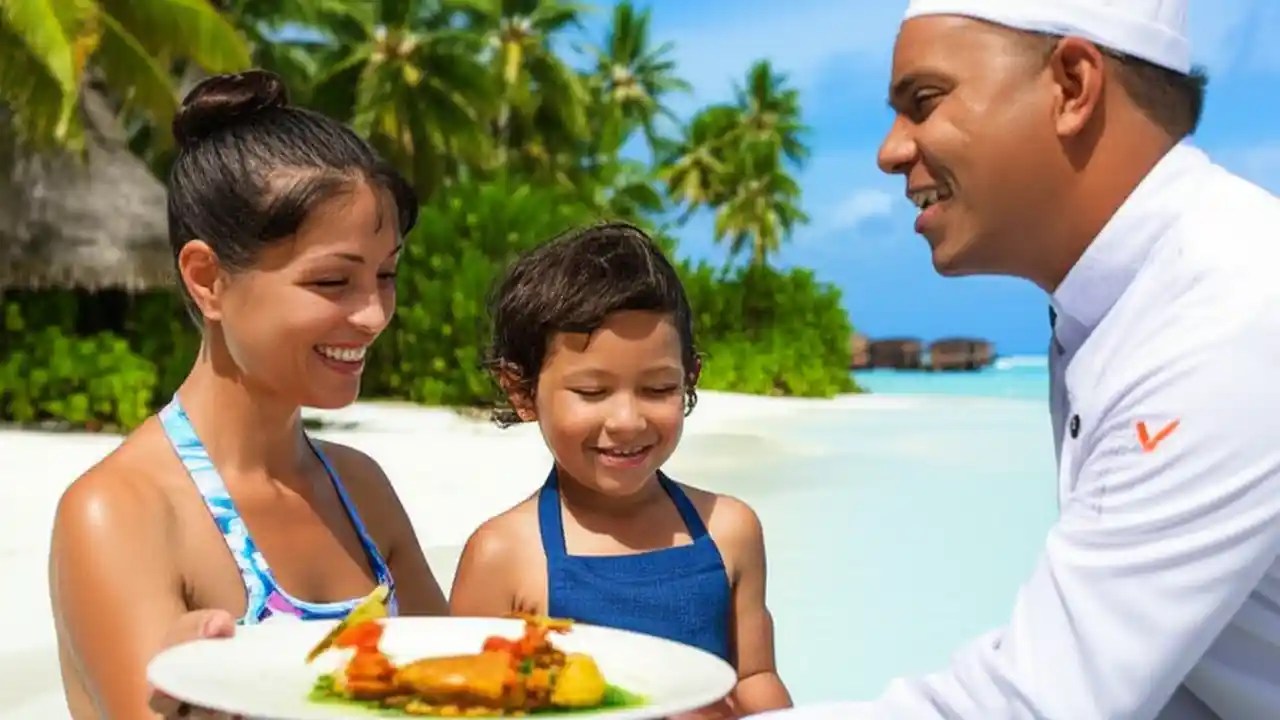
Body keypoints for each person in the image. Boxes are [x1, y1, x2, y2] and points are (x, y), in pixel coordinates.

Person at [752, 0, 1280, 718]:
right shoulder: (1120, 304)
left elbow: (1040, 705)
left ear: (1072, 86)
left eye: (924, 102)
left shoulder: (1230, 312)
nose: (890, 150)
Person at [47, 69, 448, 720]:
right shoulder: (122, 513)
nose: (374, 315)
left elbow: (460, 692)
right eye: (332, 282)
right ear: (208, 279)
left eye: (386, 275)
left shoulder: (361, 489)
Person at [447, 221, 793, 718]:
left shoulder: (729, 531)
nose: (628, 422)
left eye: (657, 389)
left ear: (689, 379)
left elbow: (757, 679)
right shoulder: (504, 554)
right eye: (591, 393)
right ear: (521, 391)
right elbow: (465, 705)